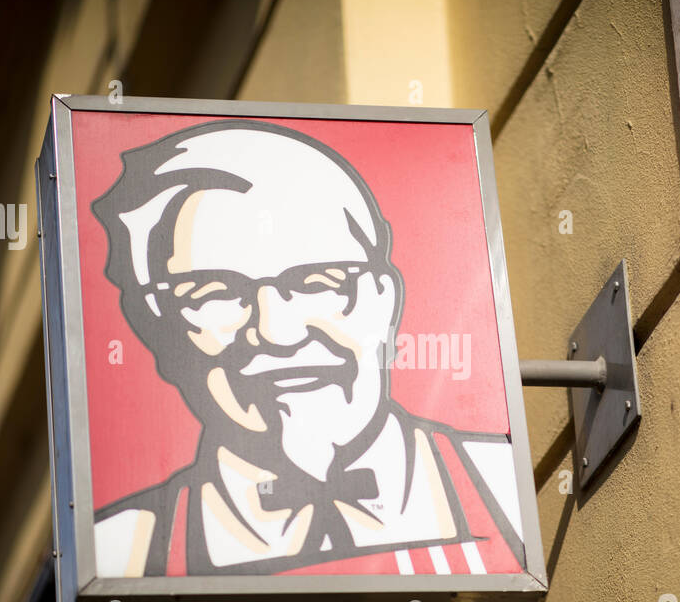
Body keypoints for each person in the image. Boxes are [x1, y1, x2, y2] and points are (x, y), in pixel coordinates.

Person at [89, 119, 525, 577]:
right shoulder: (120, 554)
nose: (278, 332)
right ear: (158, 330)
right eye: (213, 292)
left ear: (386, 301)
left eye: (318, 281)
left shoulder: (507, 487)